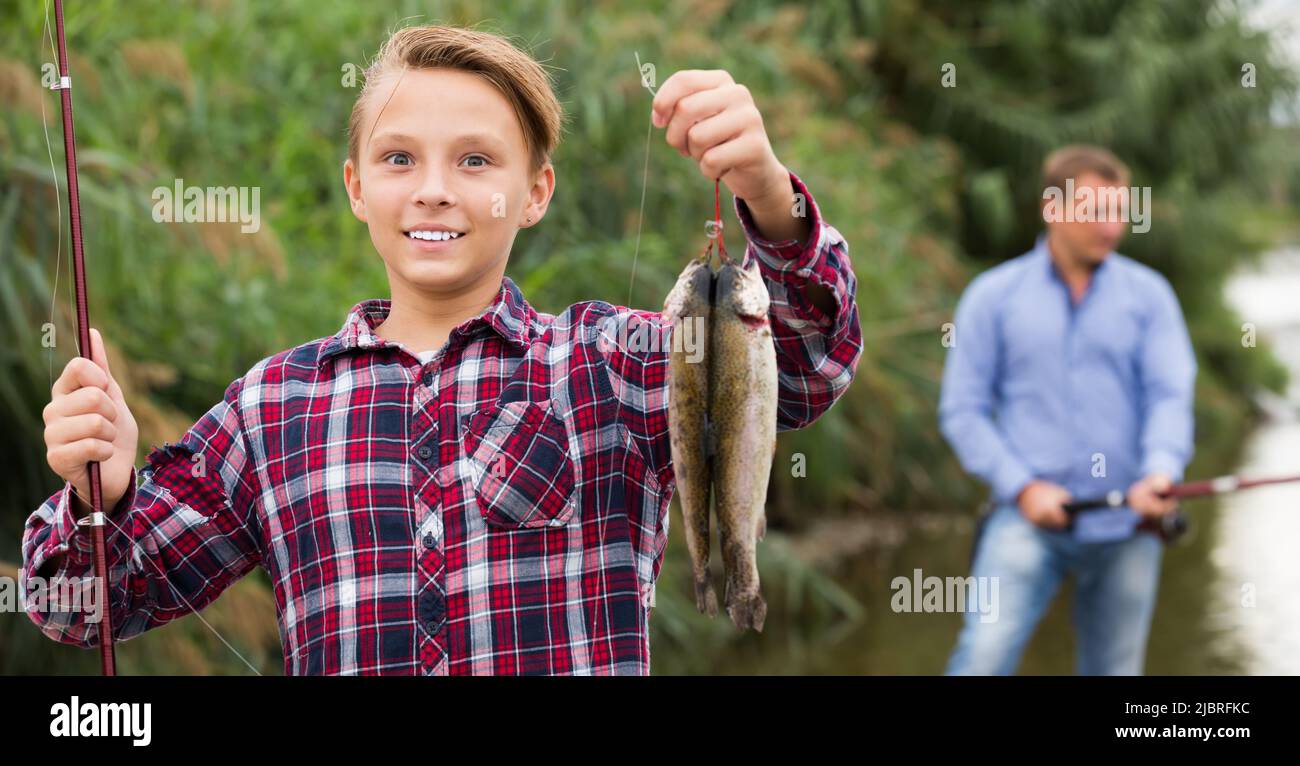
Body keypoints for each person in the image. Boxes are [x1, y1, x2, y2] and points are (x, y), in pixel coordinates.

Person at [23, 25, 862, 675]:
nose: (433, 186)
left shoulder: (609, 364)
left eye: (475, 160)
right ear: (355, 186)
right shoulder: (268, 409)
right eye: (398, 158)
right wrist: (105, 485)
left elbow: (804, 365)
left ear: (534, 193)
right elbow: (79, 606)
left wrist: (766, 192)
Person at [939, 145, 1196, 675]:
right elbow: (963, 410)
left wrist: (1161, 471)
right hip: (1025, 520)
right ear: (1053, 210)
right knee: (981, 658)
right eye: (1097, 211)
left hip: (1131, 525)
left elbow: (1169, 395)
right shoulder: (992, 297)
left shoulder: (1151, 297)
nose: (1112, 227)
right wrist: (1024, 487)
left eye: (1119, 212)